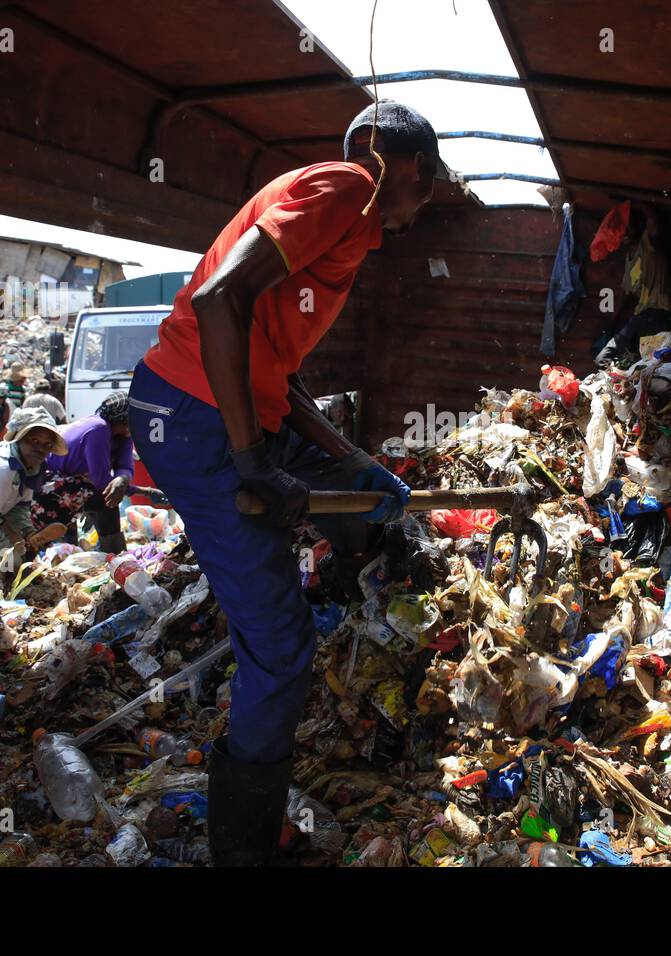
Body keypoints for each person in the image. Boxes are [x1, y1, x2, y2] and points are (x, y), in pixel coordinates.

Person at [128, 100, 443, 865]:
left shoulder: (340, 215)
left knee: (368, 496)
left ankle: (342, 574)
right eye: (425, 182)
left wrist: (351, 457)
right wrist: (250, 465)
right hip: (193, 416)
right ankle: (242, 848)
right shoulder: (343, 188)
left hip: (228, 413)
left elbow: (277, 367)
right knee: (280, 646)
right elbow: (215, 302)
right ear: (396, 162)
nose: (423, 201)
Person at [33, 392, 148, 553]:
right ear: (123, 420)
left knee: (105, 495)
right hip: (51, 484)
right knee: (106, 500)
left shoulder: (123, 435)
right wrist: (144, 491)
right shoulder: (98, 429)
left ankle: (111, 556)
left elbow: (125, 466)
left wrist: (122, 478)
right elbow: (101, 481)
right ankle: (114, 554)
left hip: (76, 483)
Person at [0, 407, 68, 565]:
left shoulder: (31, 467)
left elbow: (18, 509)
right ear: (18, 438)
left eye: (47, 444)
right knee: (6, 561)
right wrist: (10, 564)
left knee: (18, 546)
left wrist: (29, 533)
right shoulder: (2, 469)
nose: (41, 449)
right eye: (34, 441)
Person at [594, 204, 671, 367]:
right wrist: (612, 320)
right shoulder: (629, 259)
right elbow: (625, 293)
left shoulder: (648, 245)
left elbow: (653, 220)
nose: (624, 232)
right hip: (638, 316)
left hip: (658, 314)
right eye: (621, 229)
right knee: (602, 359)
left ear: (638, 226)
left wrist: (631, 203)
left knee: (649, 366)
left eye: (627, 227)